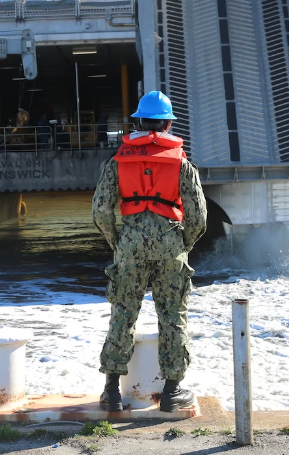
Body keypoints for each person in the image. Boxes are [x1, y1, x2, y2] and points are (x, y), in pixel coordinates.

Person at [92, 90, 208, 413]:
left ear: (139, 121)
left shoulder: (118, 161)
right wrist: (182, 243)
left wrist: (118, 240)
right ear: (169, 124)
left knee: (123, 313)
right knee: (172, 316)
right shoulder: (182, 164)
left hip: (129, 244)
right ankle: (171, 392)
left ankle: (112, 392)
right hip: (171, 243)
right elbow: (199, 217)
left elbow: (101, 211)